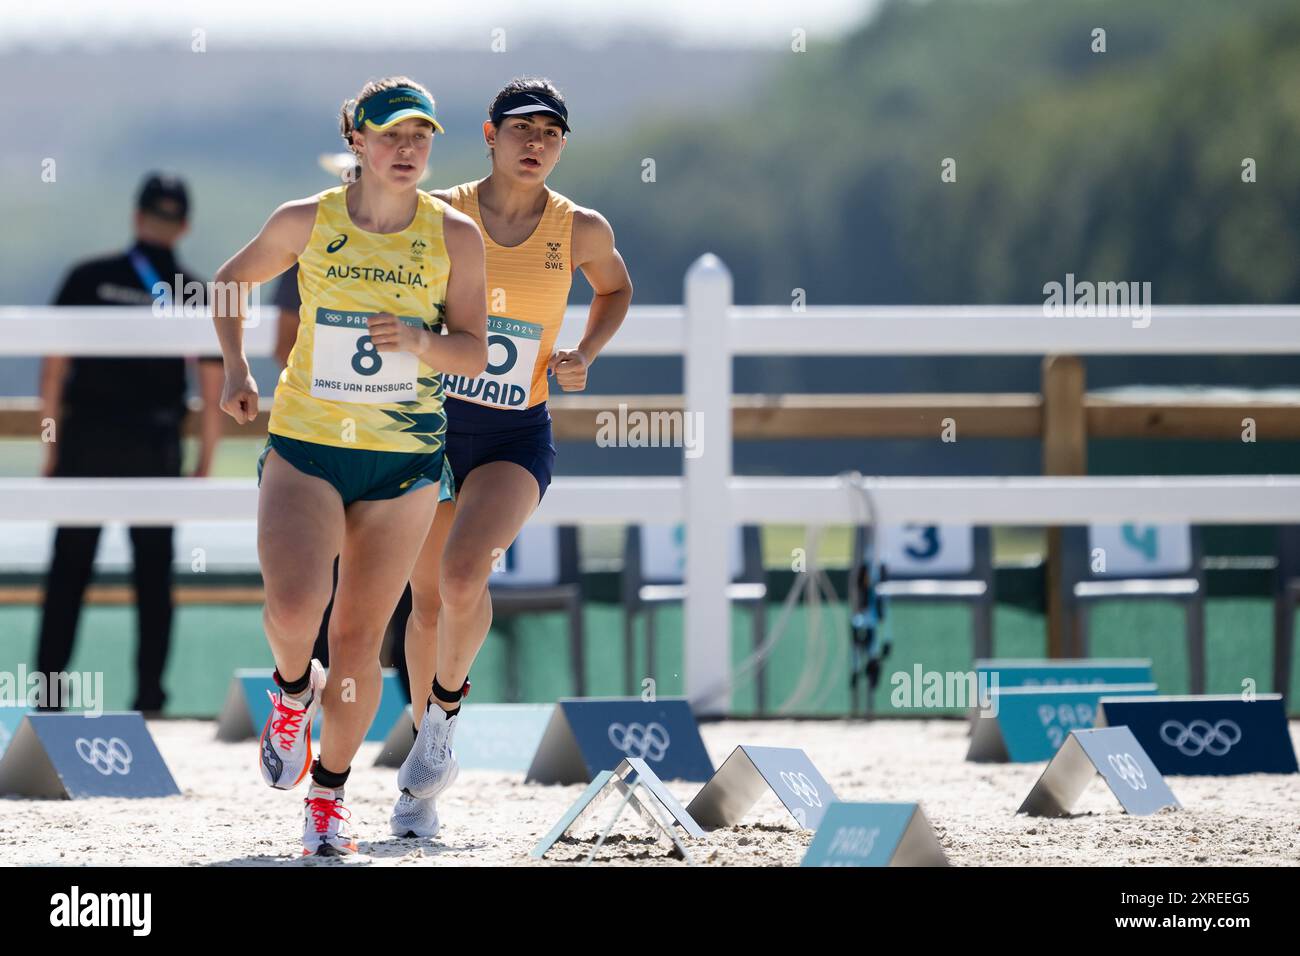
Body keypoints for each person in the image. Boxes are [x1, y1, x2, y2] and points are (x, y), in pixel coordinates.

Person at [210, 76, 487, 856]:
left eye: (421, 137)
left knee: (362, 640)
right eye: (392, 136)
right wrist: (235, 371)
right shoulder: (308, 219)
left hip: (401, 463)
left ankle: (328, 796)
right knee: (296, 612)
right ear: (358, 143)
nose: (408, 151)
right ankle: (293, 691)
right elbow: (229, 282)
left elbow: (473, 345)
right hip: (308, 446)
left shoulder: (454, 236)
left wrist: (422, 343)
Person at [392, 77, 633, 839]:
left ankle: (443, 726)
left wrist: (584, 352)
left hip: (513, 434)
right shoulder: (442, 213)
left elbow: (616, 290)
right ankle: (419, 780)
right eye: (522, 130)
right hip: (430, 423)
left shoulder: (581, 228)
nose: (536, 145)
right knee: (426, 600)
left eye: (552, 134)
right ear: (489, 135)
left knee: (467, 573)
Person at [36, 173, 224, 715]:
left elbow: (53, 369)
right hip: (155, 443)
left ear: (136, 216)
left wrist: (52, 446)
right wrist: (204, 462)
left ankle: (49, 695)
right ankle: (148, 698)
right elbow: (213, 389)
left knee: (68, 571)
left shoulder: (88, 277)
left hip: (85, 442)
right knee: (153, 577)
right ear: (184, 225)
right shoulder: (195, 290)